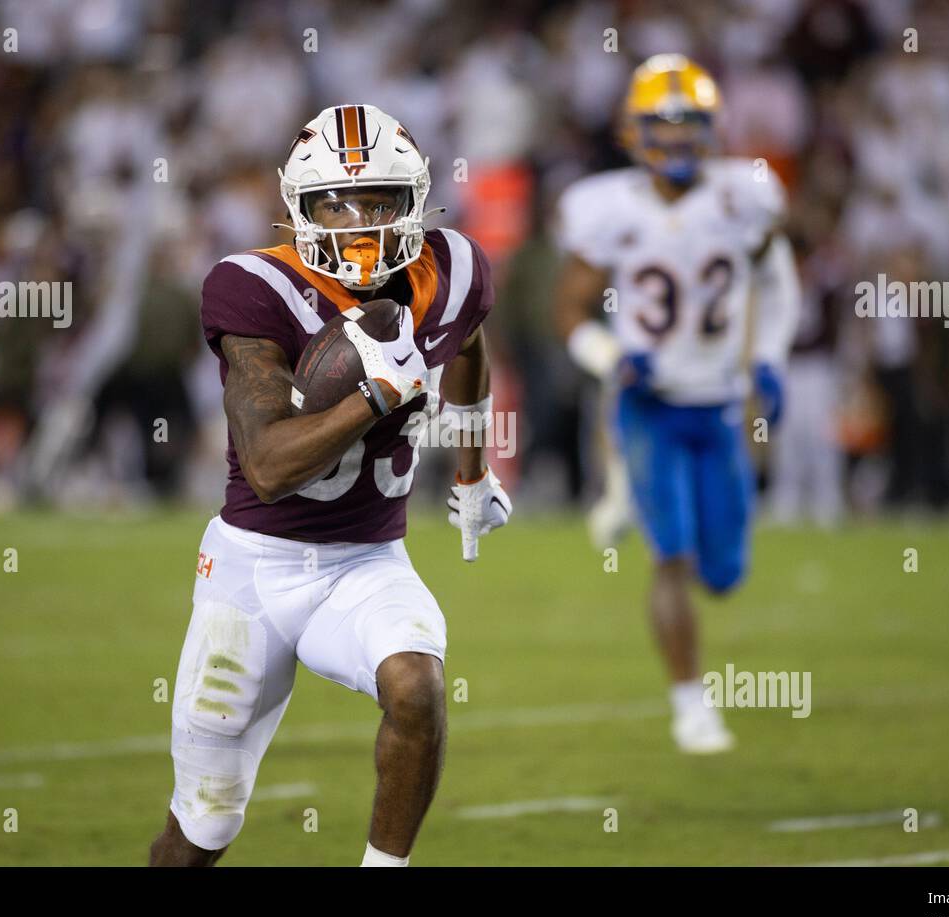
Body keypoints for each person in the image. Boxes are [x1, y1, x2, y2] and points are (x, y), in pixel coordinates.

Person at [149, 105, 511, 866]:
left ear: (414, 199)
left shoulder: (455, 271)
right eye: (336, 203)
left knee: (416, 686)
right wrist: (375, 397)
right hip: (254, 568)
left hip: (367, 561)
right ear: (299, 208)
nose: (360, 222)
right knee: (203, 831)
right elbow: (270, 468)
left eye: (379, 200)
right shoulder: (255, 288)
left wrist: (475, 472)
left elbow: (468, 350)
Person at [554, 57, 799, 754]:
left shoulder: (744, 195)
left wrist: (768, 362)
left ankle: (627, 499)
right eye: (663, 125)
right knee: (673, 559)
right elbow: (569, 311)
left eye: (689, 123)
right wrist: (611, 358)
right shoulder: (607, 207)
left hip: (718, 404)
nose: (677, 139)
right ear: (631, 130)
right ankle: (692, 706)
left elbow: (777, 281)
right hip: (649, 405)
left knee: (722, 576)